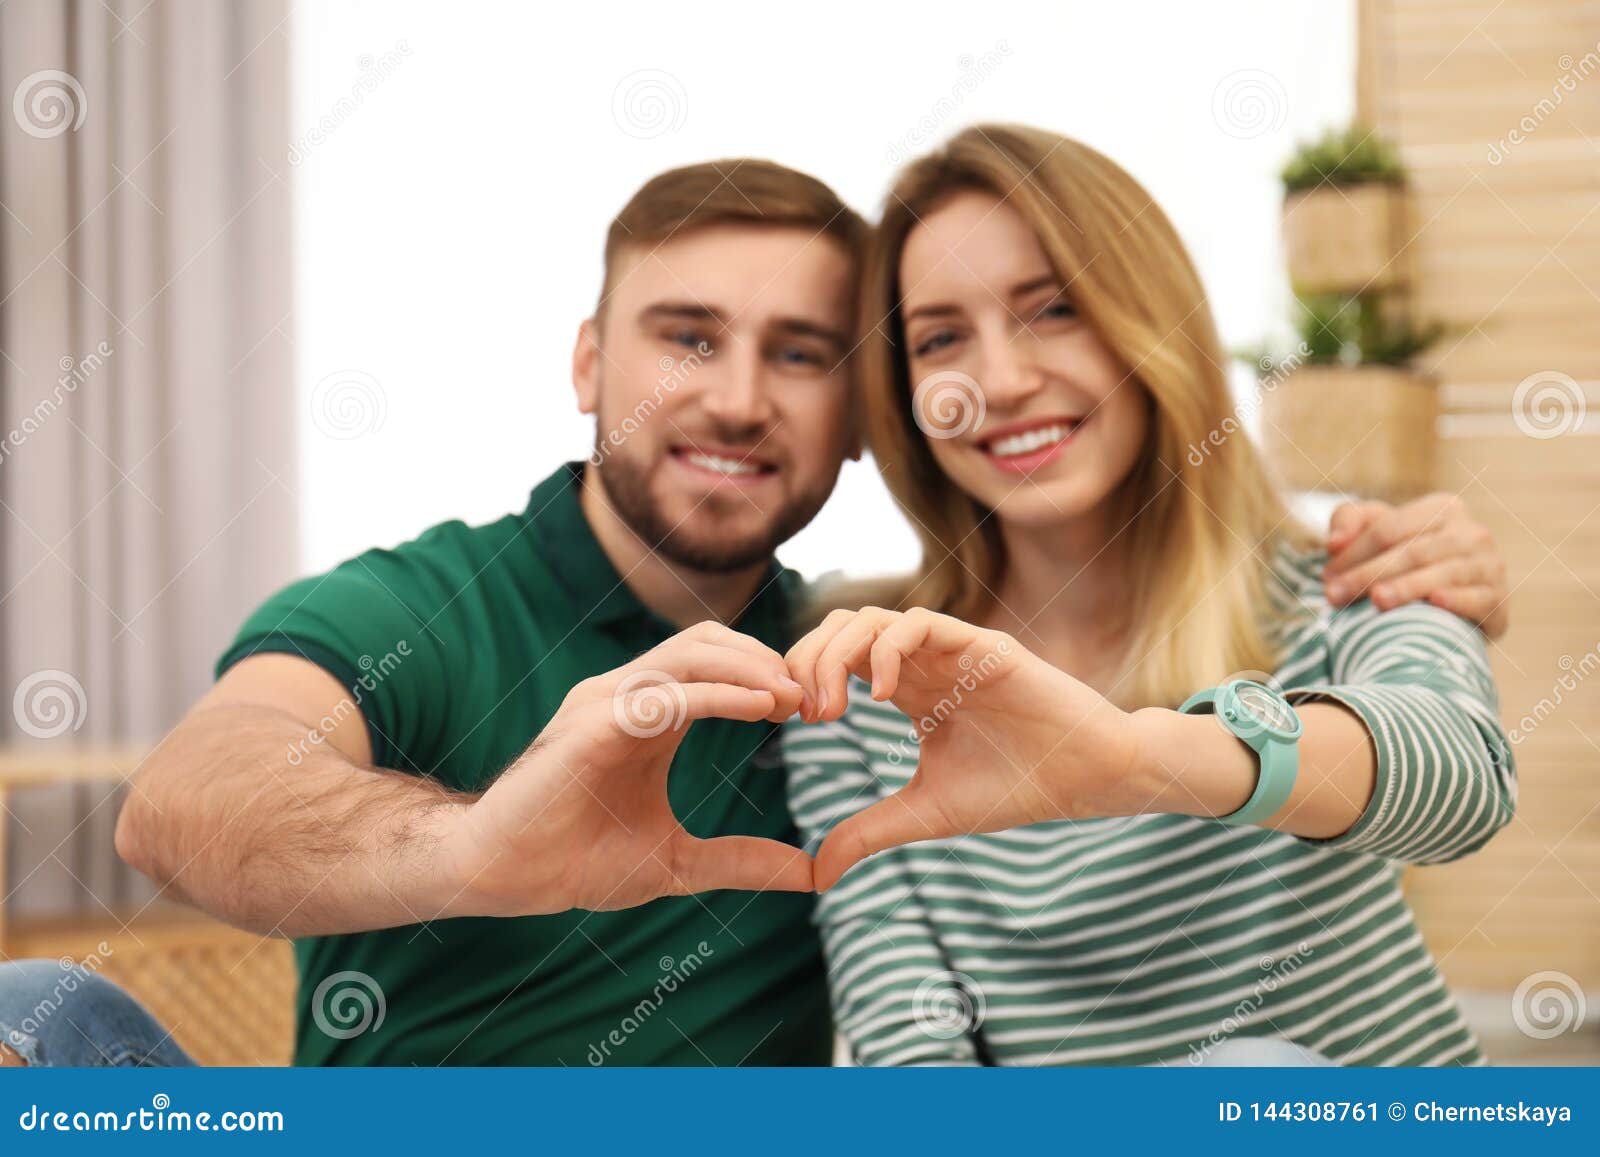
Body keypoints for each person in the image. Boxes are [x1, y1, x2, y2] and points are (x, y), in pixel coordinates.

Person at [0, 156, 1510, 1069]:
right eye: (685, 336)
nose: (734, 397)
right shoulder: (429, 604)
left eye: (798, 352)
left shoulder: (853, 664)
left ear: (862, 416)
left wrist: (1151, 749)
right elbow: (187, 806)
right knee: (49, 1008)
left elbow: (1452, 772)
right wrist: (477, 846)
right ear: (590, 359)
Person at [781, 125, 1515, 1067]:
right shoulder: (864, 688)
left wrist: (1135, 758)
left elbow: (1463, 782)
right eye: (940, 338)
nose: (1000, 381)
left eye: (1053, 310)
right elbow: (910, 1055)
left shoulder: (1349, 571)